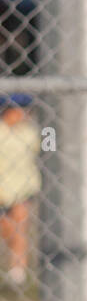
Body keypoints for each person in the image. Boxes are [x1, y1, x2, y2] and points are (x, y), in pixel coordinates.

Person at [0, 91, 40, 286]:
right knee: (7, 229)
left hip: (23, 188)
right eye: (18, 110)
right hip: (2, 190)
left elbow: (50, 149)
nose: (23, 114)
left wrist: (51, 128)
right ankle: (14, 263)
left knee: (20, 228)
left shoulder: (29, 132)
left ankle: (18, 271)